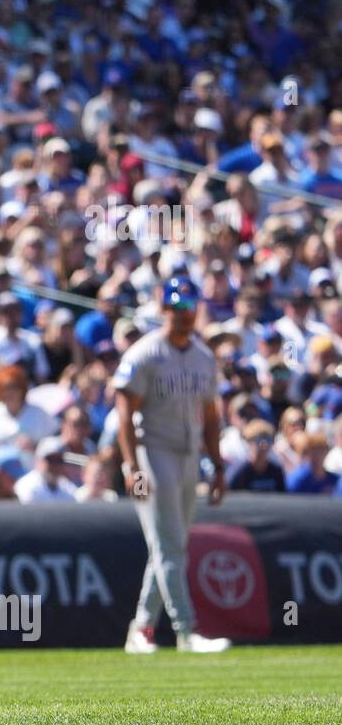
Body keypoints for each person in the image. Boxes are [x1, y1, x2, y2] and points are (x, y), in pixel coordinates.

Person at [115, 277, 230, 655]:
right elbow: (124, 415)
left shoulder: (202, 357)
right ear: (163, 309)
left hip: (188, 454)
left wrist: (217, 465)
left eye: (189, 308)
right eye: (177, 308)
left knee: (170, 547)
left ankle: (142, 629)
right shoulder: (144, 353)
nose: (183, 315)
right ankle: (186, 630)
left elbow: (212, 418)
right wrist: (132, 467)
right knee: (170, 548)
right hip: (153, 453)